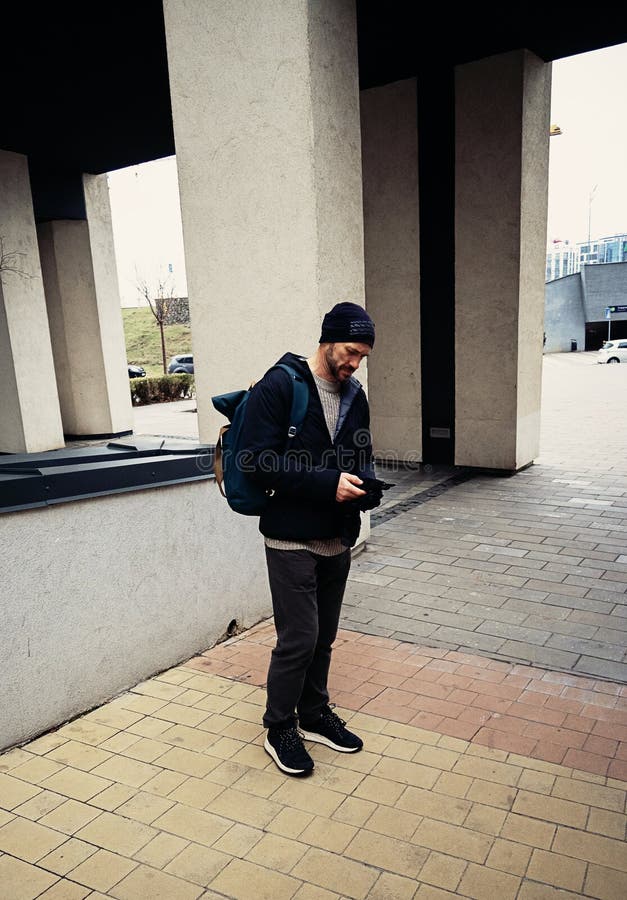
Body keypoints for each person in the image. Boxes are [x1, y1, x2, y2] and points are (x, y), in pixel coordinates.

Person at [239, 302, 379, 776]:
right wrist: (326, 484)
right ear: (327, 339)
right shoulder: (281, 385)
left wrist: (365, 487)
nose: (354, 363)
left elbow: (360, 453)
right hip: (290, 538)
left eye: (361, 356)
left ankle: (314, 714)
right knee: (298, 638)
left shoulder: (355, 394)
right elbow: (255, 461)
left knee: (324, 638)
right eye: (349, 352)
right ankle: (279, 727)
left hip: (336, 536)